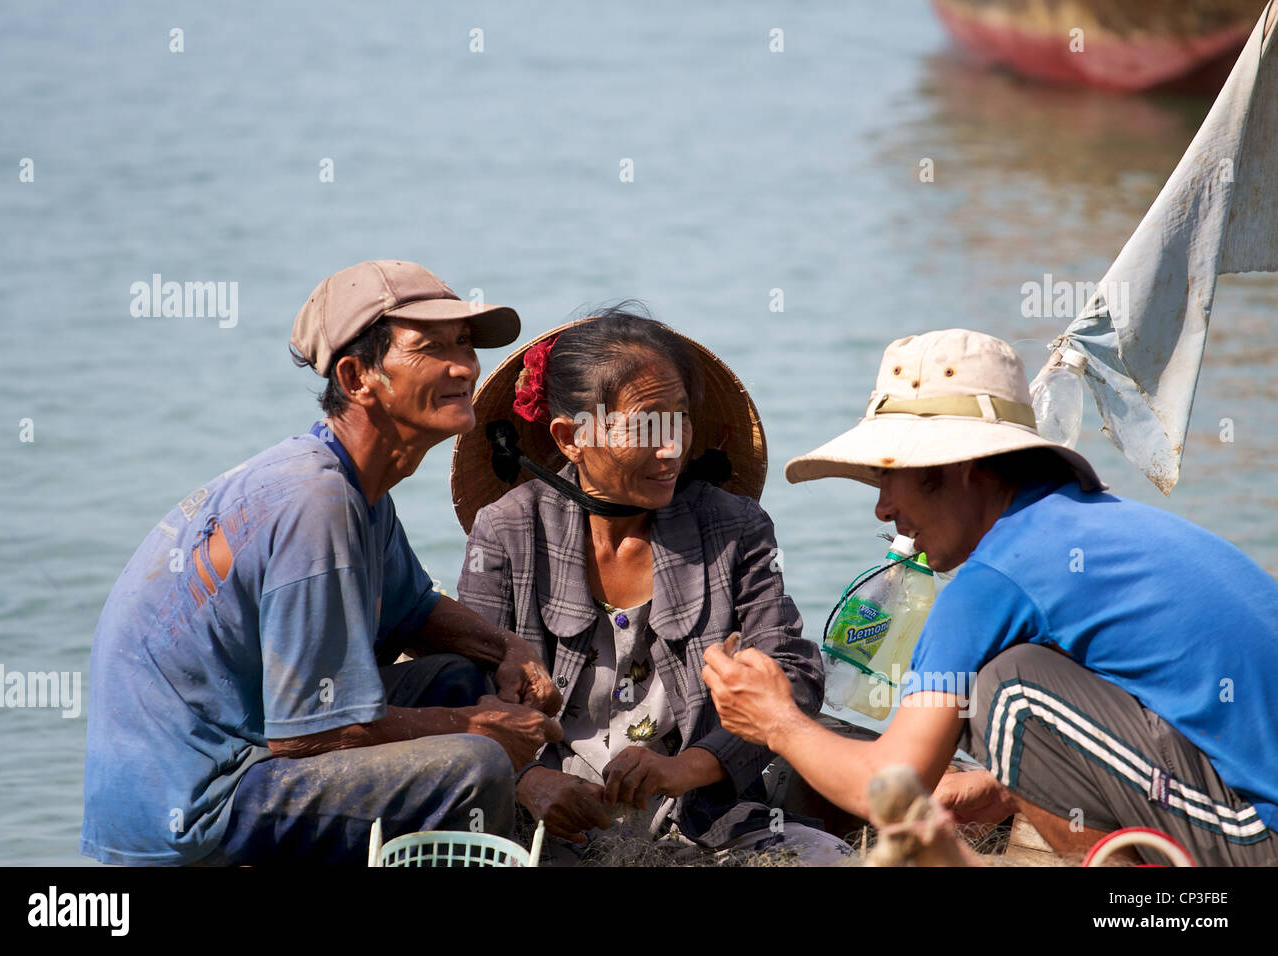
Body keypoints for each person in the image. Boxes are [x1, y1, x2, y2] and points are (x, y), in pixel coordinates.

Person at [703, 328, 1278, 865]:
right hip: (1241, 806)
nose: (882, 509)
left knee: (1007, 691)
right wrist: (1007, 787)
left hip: (1259, 837)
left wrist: (777, 721)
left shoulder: (1001, 573)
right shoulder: (1088, 528)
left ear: (960, 469)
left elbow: (890, 789)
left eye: (887, 477)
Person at [81, 260, 563, 866]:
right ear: (358, 375)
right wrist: (475, 726)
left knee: (454, 678)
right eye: (431, 348)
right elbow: (306, 733)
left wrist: (507, 649)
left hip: (249, 750)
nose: (464, 366)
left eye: (465, 344)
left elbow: (414, 609)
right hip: (196, 809)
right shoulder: (316, 498)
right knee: (477, 763)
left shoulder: (355, 485)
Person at [451, 306, 848, 864]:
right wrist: (529, 781)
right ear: (569, 437)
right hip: (546, 830)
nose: (671, 449)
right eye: (645, 426)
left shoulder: (734, 528)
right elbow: (465, 687)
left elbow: (793, 672)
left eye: (679, 420)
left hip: (707, 821)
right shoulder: (508, 530)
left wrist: (684, 769)